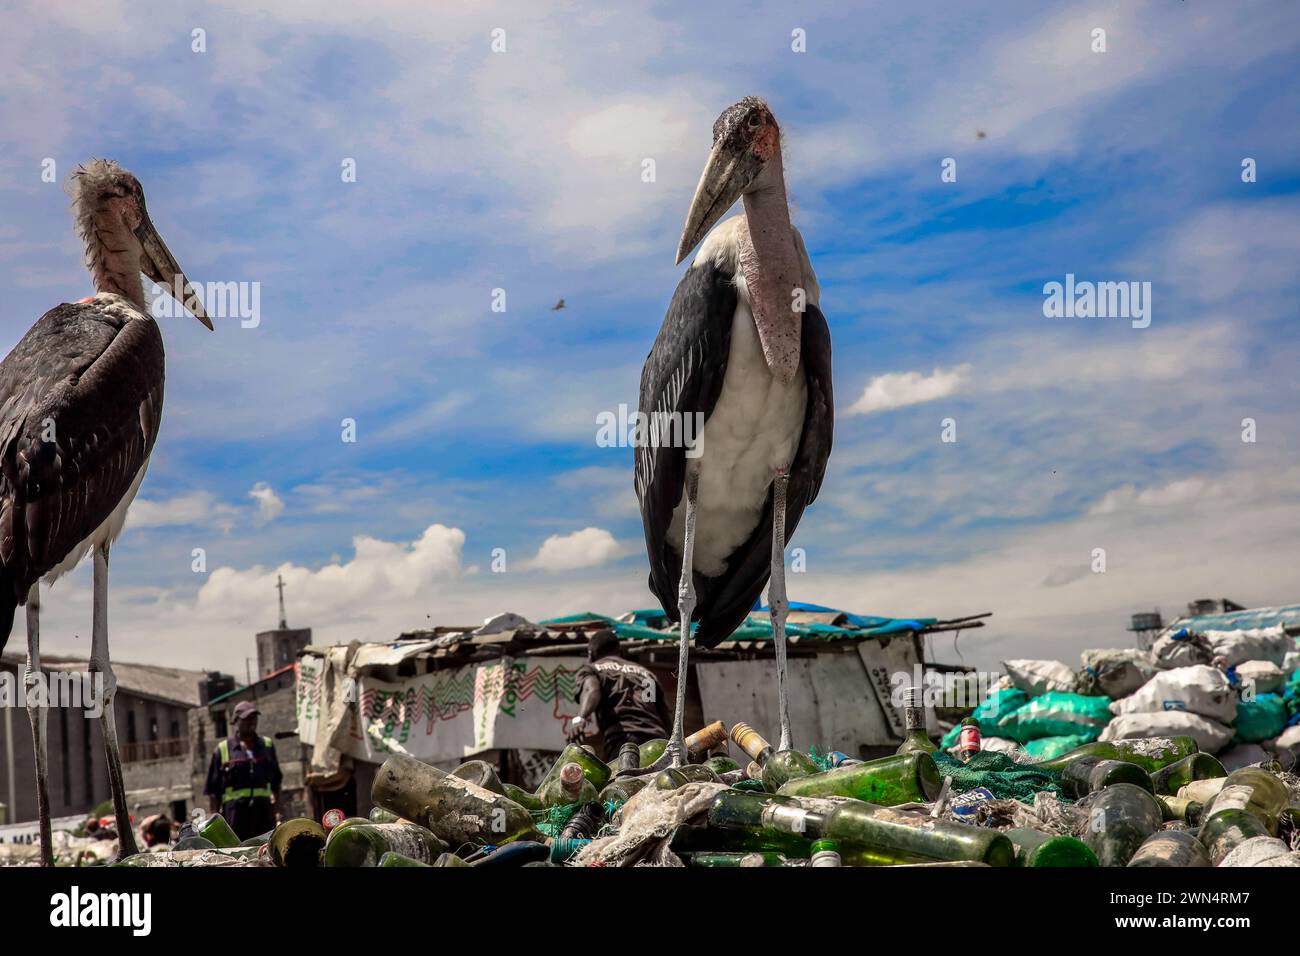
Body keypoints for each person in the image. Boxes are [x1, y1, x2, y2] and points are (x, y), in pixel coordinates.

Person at [567, 630, 670, 761]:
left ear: (590, 654)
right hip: (657, 741)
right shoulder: (646, 673)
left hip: (624, 740)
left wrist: (580, 719)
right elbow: (665, 714)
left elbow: (591, 690)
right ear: (620, 652)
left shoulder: (593, 668)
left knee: (624, 780)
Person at [203, 700, 282, 840]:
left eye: (254, 717)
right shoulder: (222, 749)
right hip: (235, 818)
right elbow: (213, 792)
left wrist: (277, 811)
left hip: (263, 815)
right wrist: (214, 823)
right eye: (247, 718)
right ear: (236, 721)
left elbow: (276, 783)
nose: (252, 721)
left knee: (266, 855)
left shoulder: (267, 745)